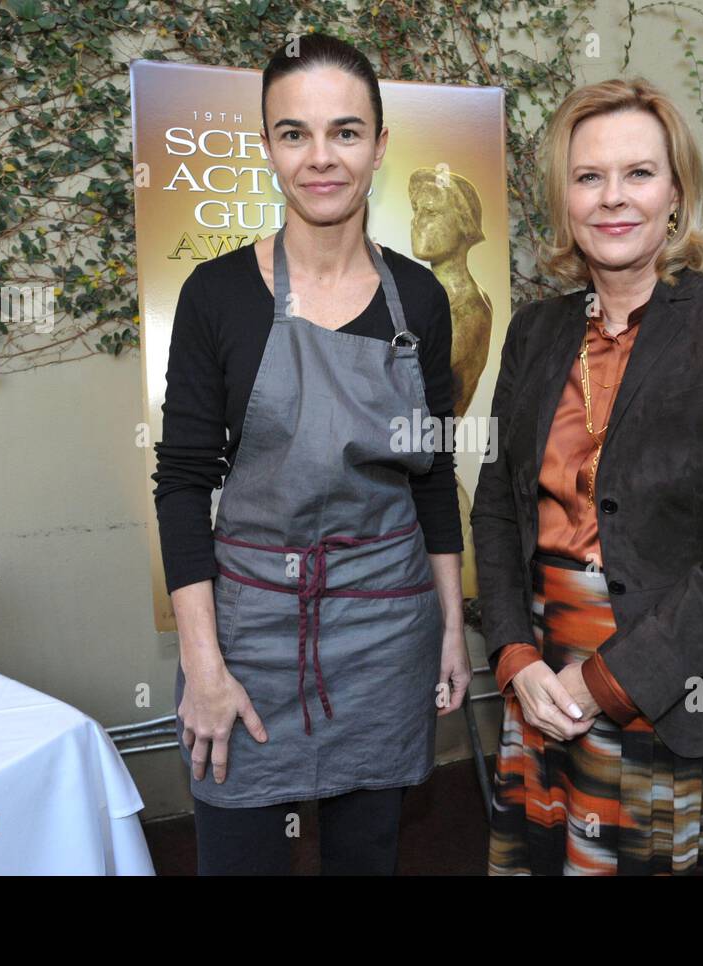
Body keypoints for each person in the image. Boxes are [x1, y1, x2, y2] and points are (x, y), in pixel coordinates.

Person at [471, 78, 703, 875]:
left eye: (639, 174)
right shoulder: (535, 330)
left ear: (676, 193)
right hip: (544, 685)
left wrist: (604, 683)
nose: (613, 199)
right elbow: (496, 509)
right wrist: (515, 657)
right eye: (589, 178)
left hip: (680, 687)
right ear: (564, 200)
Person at [151, 32, 468, 876]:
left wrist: (448, 624)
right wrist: (202, 665)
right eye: (294, 133)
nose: (321, 158)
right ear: (266, 148)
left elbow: (434, 473)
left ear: (380, 145)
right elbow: (183, 484)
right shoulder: (216, 294)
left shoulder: (424, 298)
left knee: (369, 855)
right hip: (251, 632)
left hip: (388, 626)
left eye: (346, 131)